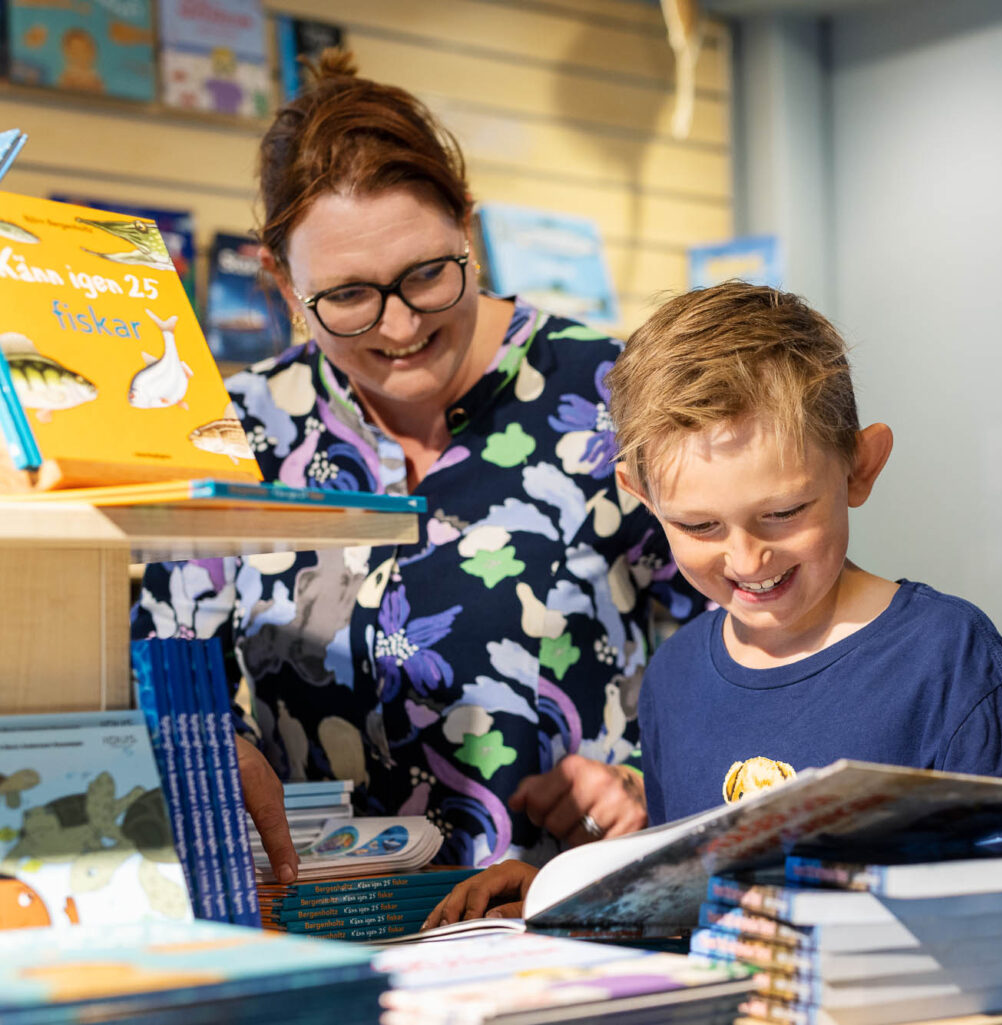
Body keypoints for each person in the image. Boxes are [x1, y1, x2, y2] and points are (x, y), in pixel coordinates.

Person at [426, 282, 1002, 997]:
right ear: (641, 496)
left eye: (784, 512)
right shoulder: (675, 678)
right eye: (700, 526)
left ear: (860, 466)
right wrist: (571, 904)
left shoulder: (946, 655)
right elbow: (696, 925)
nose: (745, 558)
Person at [131, 51, 697, 880]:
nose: (399, 325)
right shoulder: (234, 428)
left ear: (467, 224)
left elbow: (736, 627)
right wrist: (214, 747)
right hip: (323, 919)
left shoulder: (612, 392)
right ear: (283, 283)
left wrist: (649, 780)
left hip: (572, 910)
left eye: (429, 274)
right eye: (350, 296)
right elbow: (169, 655)